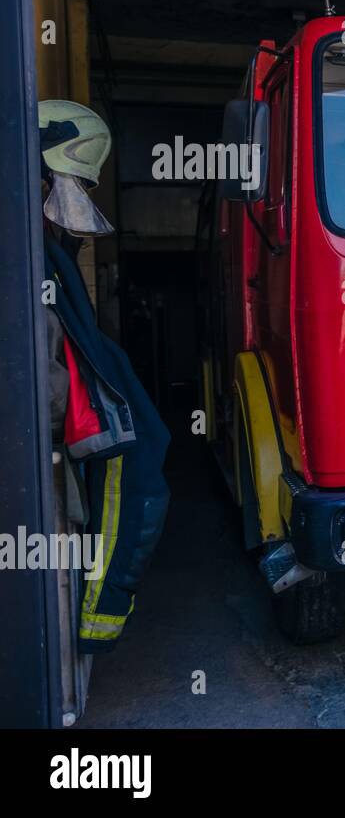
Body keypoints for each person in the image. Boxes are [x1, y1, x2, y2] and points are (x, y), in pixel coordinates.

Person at [38, 99, 171, 653]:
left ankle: (99, 615)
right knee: (130, 458)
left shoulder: (41, 250)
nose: (77, 204)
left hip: (76, 421)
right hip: (76, 428)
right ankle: (100, 617)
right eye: (76, 185)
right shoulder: (29, 251)